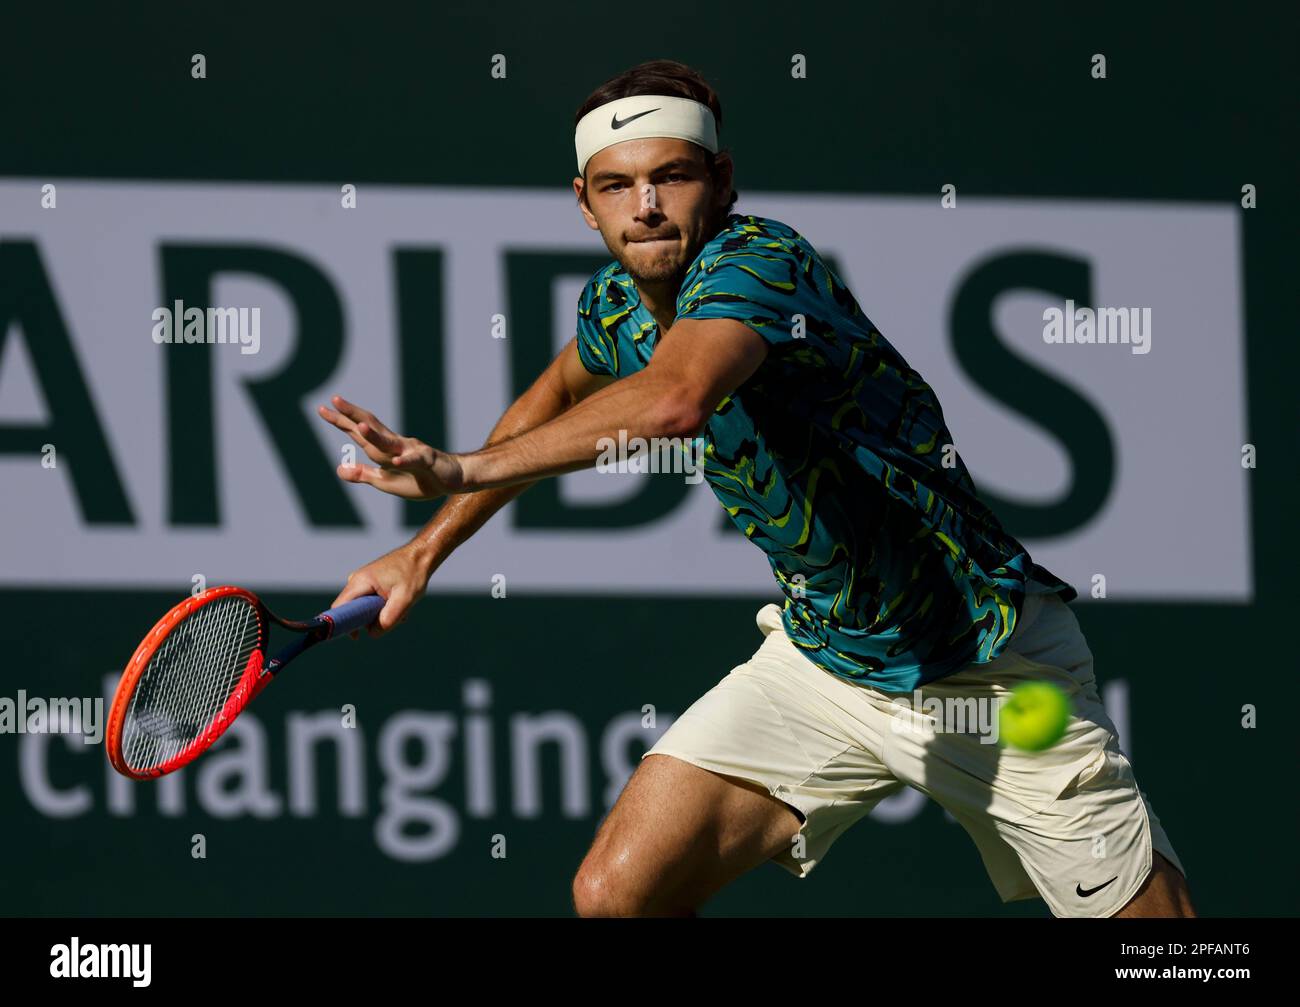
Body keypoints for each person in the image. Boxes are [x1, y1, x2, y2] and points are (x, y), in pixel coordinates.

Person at [318, 59, 1193, 919]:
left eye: (671, 176)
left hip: (986, 668)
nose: (647, 205)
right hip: (824, 660)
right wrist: (421, 550)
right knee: (618, 893)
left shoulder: (759, 264)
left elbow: (675, 399)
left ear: (721, 180)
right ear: (584, 202)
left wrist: (460, 467)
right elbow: (554, 393)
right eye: (617, 186)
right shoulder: (616, 305)